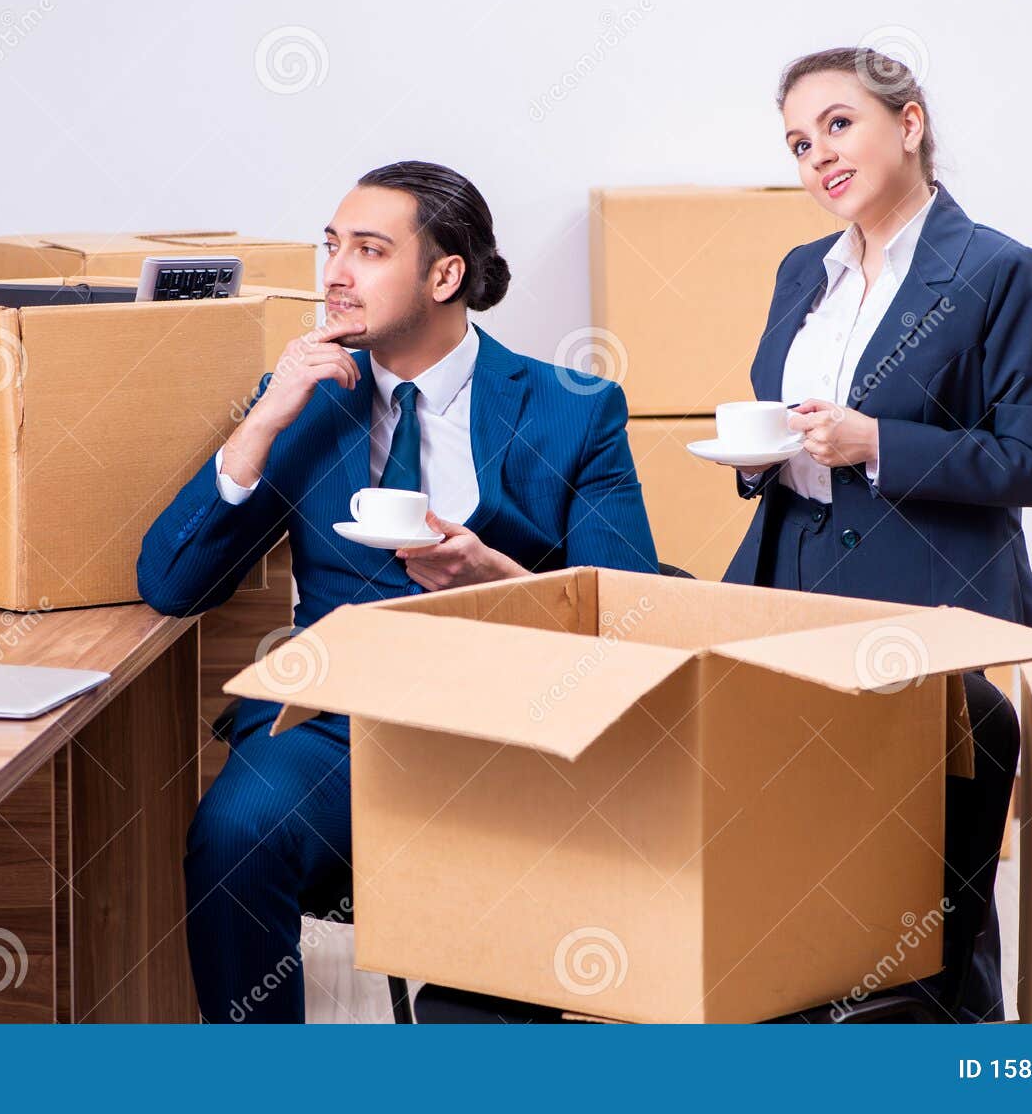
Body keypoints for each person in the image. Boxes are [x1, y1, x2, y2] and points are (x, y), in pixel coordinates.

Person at [137, 160, 658, 1022]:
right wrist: (264, 419)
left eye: (370, 251)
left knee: (498, 977)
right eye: (332, 247)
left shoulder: (575, 408)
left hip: (512, 732)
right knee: (234, 833)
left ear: (445, 274)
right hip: (338, 732)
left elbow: (636, 617)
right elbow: (171, 584)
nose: (336, 273)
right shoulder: (307, 402)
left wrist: (502, 577)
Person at [722, 48, 1032, 1021]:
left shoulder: (1000, 273)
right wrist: (755, 453)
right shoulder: (805, 271)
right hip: (786, 598)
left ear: (909, 123)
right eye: (799, 142)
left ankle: (959, 1054)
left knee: (925, 894)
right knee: (800, 876)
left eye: (837, 125)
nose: (817, 156)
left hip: (922, 603)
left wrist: (876, 441)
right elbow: (783, 425)